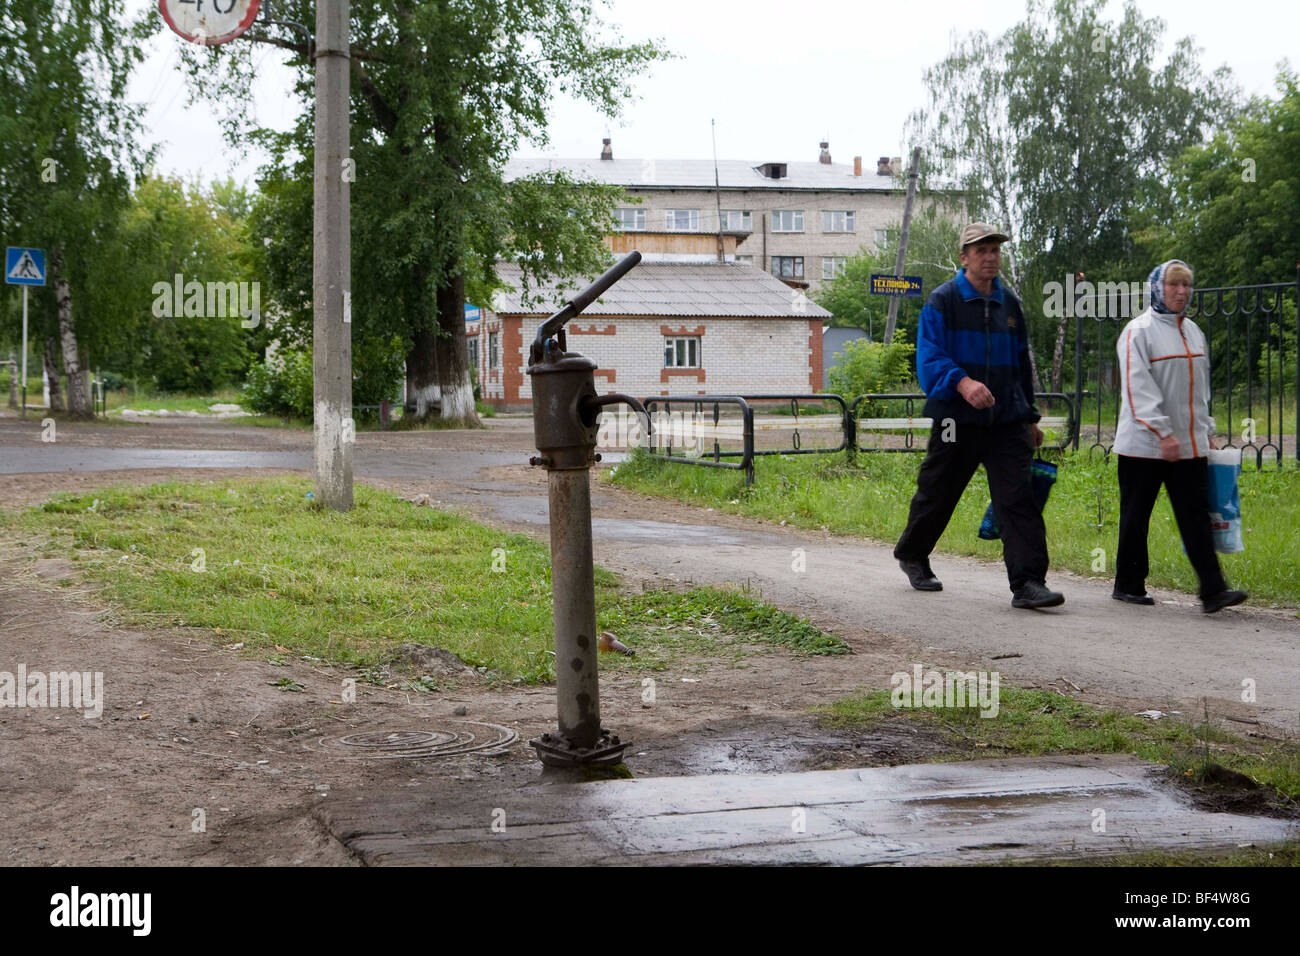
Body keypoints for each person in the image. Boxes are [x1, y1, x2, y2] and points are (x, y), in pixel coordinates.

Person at [894, 223, 1064, 609]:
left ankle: (1028, 583)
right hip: (956, 417)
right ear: (964, 257)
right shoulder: (943, 301)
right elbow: (930, 357)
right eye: (981, 250)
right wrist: (962, 382)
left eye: (995, 250)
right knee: (939, 491)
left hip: (1006, 420)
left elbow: (1022, 365)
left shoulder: (1011, 304)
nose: (990, 257)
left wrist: (1031, 416)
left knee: (1017, 498)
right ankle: (913, 554)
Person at [1112, 259, 1247, 613]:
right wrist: (1163, 433)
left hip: (1189, 446)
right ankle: (1128, 584)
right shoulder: (1137, 332)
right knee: (1136, 514)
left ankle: (1213, 590)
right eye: (1173, 285)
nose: (1181, 292)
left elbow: (1199, 391)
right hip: (1144, 445)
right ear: (1157, 288)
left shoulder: (1195, 332)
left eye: (1186, 285)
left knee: (1196, 515)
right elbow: (1137, 390)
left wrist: (1207, 432)